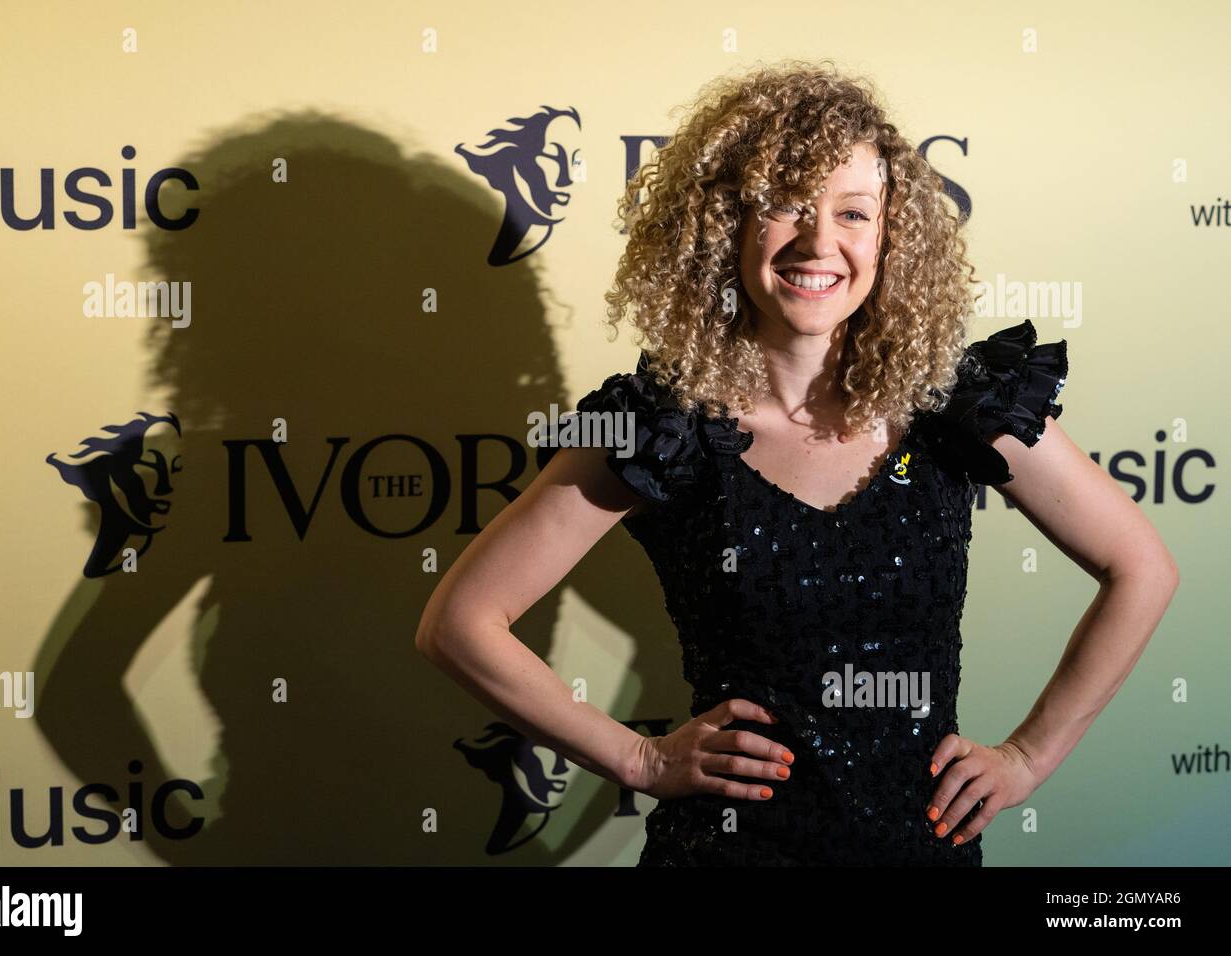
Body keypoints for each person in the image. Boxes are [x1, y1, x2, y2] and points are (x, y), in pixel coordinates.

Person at [415, 60, 1179, 866]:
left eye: (854, 213)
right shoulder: (665, 426)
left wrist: (1028, 756)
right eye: (784, 206)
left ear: (890, 236)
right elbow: (459, 624)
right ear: (724, 225)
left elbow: (1142, 568)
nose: (820, 243)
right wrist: (639, 759)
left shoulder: (953, 407)